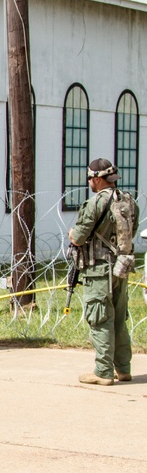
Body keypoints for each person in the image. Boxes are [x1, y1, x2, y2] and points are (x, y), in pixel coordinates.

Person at [68, 158, 139, 386]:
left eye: (90, 178)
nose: (89, 182)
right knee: (119, 319)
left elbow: (78, 237)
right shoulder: (128, 201)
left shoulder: (95, 203)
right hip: (121, 267)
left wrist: (72, 233)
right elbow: (131, 232)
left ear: (97, 179)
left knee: (99, 319)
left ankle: (103, 372)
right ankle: (124, 369)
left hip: (98, 270)